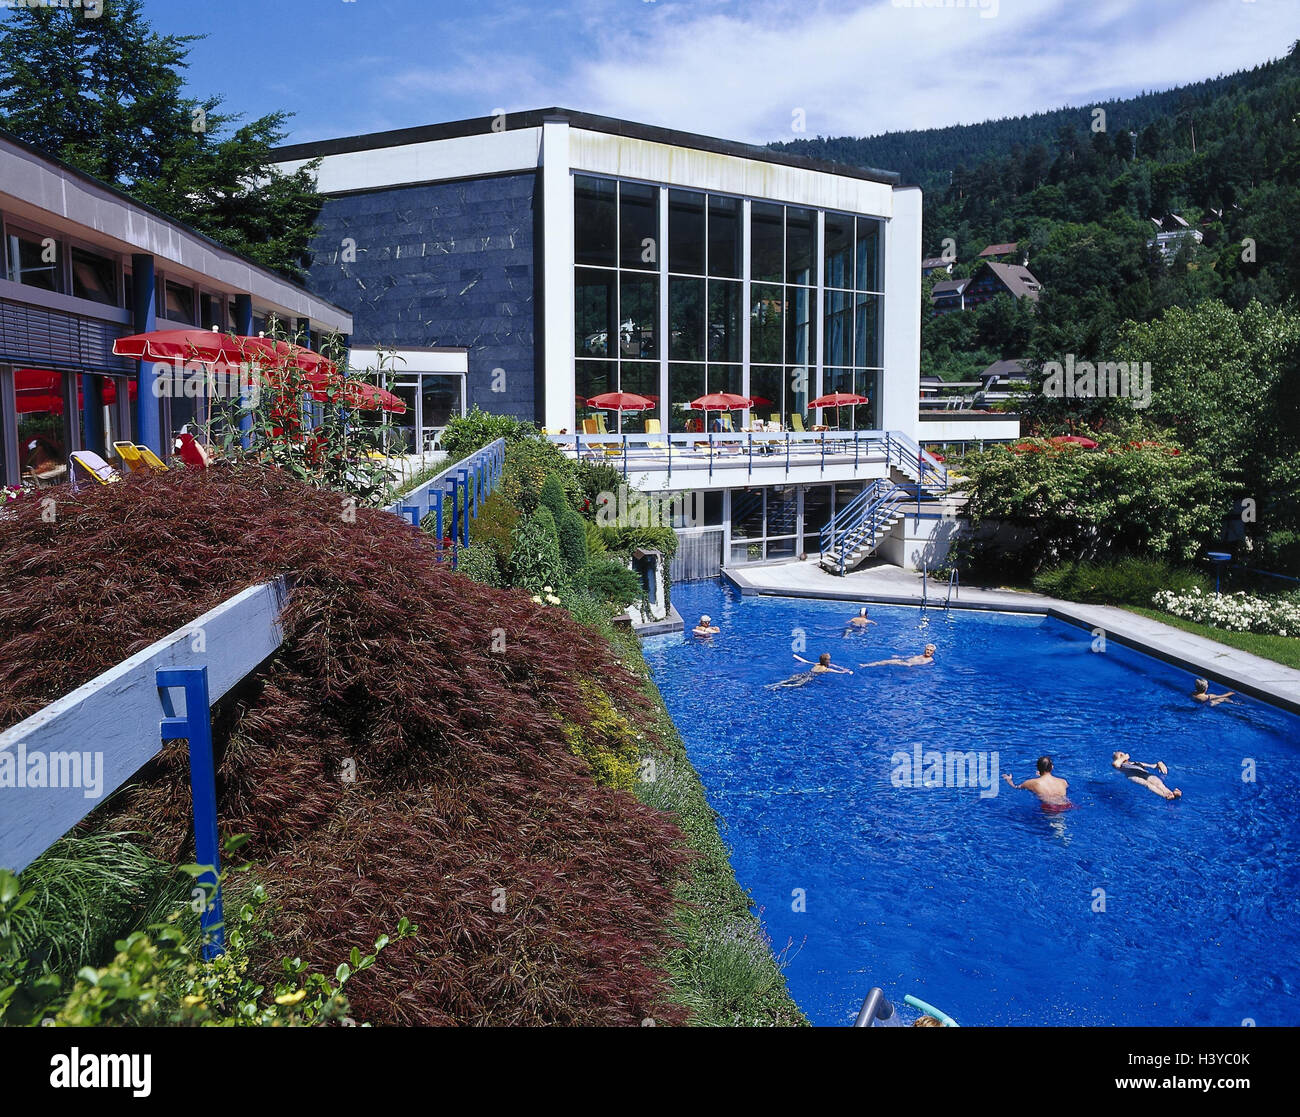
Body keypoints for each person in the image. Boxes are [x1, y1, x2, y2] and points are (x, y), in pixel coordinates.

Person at [1112, 751, 1182, 800]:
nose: (1122, 756)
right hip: (1133, 775)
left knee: (1158, 783)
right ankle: (1165, 795)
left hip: (1145, 773)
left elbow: (1152, 766)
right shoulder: (1121, 766)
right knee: (1147, 784)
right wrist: (1124, 757)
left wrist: (1159, 764)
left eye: (1122, 754)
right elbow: (1115, 764)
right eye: (1120, 756)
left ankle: (1171, 794)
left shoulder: (1136, 763)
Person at [1003, 755, 1070, 806]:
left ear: (1038, 769)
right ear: (1052, 767)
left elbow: (1016, 787)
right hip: (1067, 805)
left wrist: (1009, 781)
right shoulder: (1063, 782)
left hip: (1050, 808)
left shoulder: (1031, 783)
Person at [768, 652, 852, 688]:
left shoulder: (816, 664)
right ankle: (780, 686)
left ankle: (777, 684)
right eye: (829, 659)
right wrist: (845, 671)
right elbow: (838, 672)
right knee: (796, 685)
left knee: (788, 680)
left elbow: (831, 665)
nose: (830, 661)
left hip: (804, 673)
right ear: (826, 661)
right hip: (809, 677)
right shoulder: (826, 669)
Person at [861, 643, 936, 667]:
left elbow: (921, 664)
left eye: (930, 651)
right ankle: (867, 665)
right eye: (927, 649)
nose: (928, 651)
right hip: (905, 661)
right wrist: (900, 657)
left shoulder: (930, 659)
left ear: (933, 653)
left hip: (908, 665)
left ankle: (866, 665)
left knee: (889, 662)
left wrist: (910, 665)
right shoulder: (921, 655)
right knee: (886, 661)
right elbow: (910, 656)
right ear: (925, 649)